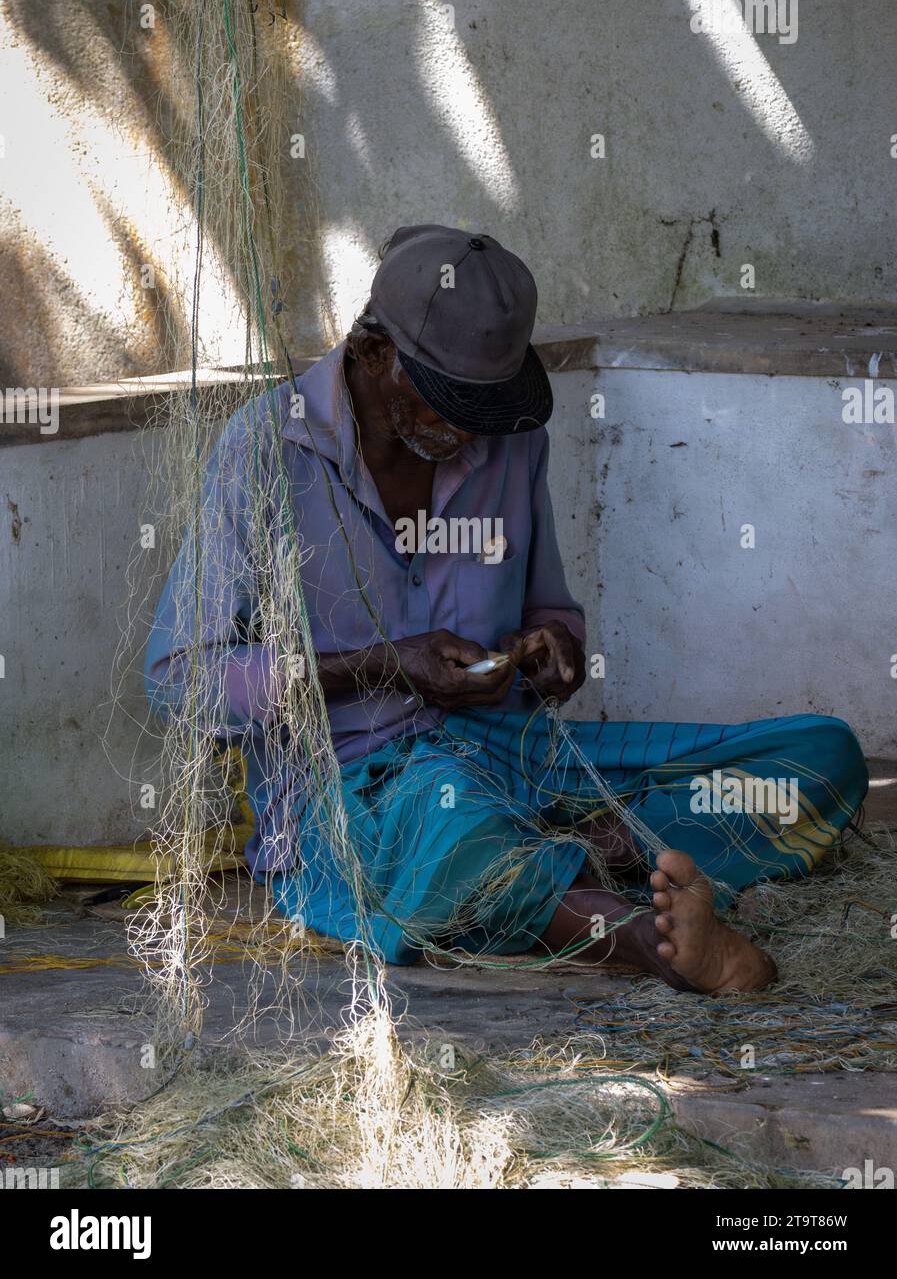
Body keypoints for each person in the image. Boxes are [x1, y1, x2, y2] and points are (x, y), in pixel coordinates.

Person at [145, 224, 868, 992]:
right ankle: (654, 944)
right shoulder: (266, 449)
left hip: (517, 756)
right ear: (371, 352)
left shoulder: (508, 439)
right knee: (454, 831)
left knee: (816, 756)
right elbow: (177, 678)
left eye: (484, 407)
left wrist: (554, 648)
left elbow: (552, 611)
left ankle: (575, 864)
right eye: (446, 402)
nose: (466, 431)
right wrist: (382, 666)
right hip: (358, 787)